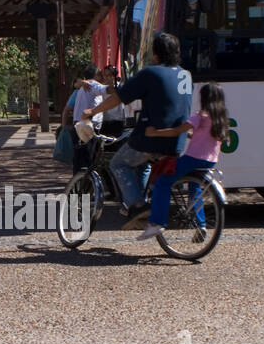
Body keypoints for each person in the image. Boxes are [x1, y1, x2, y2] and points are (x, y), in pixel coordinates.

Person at [82, 34, 192, 217]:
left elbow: (118, 97)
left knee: (118, 163)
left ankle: (137, 205)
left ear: (155, 54)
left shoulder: (151, 73)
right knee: (142, 164)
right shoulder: (186, 75)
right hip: (177, 141)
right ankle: (139, 203)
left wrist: (92, 111)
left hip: (151, 138)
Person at [137, 83, 230, 240]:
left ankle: (157, 223)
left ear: (204, 98)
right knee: (195, 188)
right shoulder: (220, 119)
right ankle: (201, 225)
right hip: (210, 162)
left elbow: (176, 131)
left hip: (192, 159)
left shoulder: (199, 116)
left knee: (162, 182)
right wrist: (190, 135)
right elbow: (202, 137)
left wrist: (154, 132)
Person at [98, 66, 126, 138]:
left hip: (117, 122)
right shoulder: (101, 89)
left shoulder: (119, 87)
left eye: (109, 75)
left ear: (114, 76)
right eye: (105, 75)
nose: (107, 78)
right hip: (105, 122)